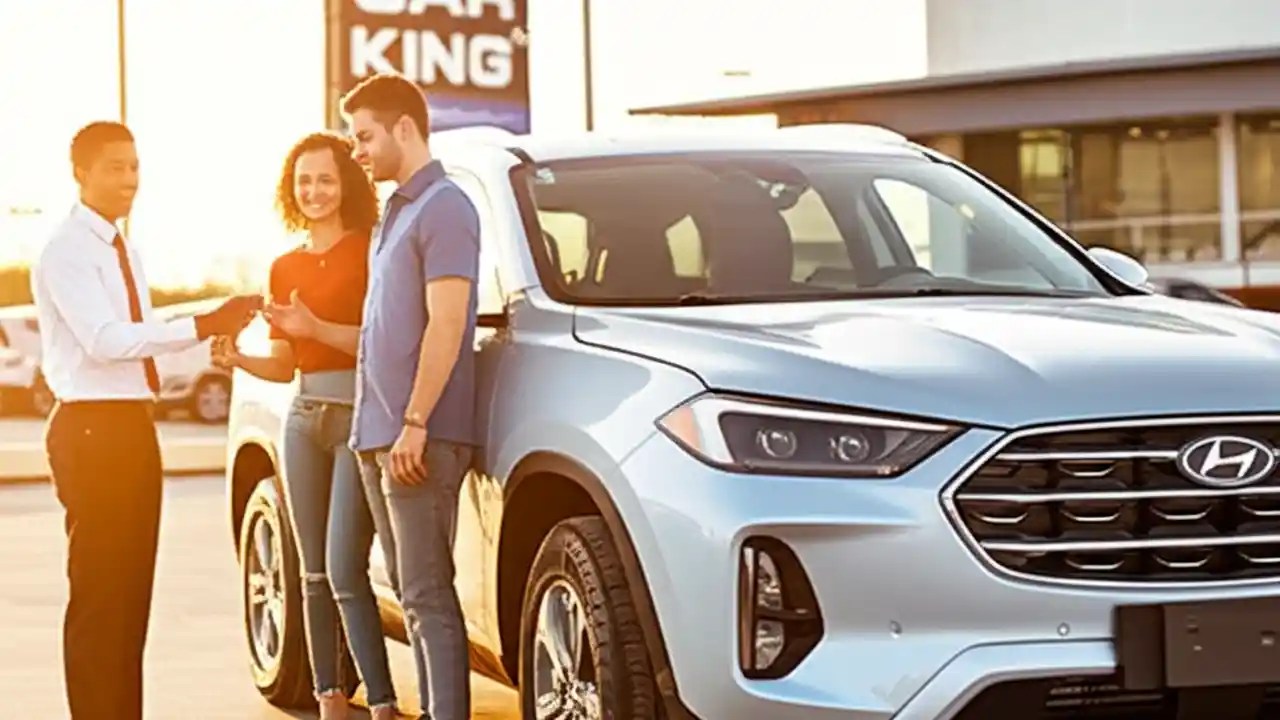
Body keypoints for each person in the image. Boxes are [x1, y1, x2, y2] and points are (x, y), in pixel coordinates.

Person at [31, 120, 261, 720]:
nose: (130, 179)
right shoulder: (67, 251)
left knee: (131, 598)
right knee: (101, 598)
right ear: (80, 172)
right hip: (90, 431)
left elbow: (142, 337)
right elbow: (106, 341)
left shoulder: (122, 246)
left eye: (134, 166)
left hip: (131, 428)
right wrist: (204, 323)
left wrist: (212, 335)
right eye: (114, 167)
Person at [210, 131, 397, 720]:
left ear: (346, 185)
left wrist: (315, 327)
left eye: (325, 179)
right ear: (292, 192)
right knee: (310, 570)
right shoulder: (283, 264)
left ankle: (386, 703)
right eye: (304, 182)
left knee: (346, 569)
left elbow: (379, 344)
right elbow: (287, 363)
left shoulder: (372, 249)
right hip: (303, 418)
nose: (314, 191)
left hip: (357, 420)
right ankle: (330, 699)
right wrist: (239, 360)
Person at [341, 73, 481, 720]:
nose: (356, 150)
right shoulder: (394, 216)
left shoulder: (445, 206)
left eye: (364, 135)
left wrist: (417, 421)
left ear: (405, 128)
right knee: (408, 590)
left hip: (416, 435)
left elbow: (448, 322)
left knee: (427, 593)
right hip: (378, 435)